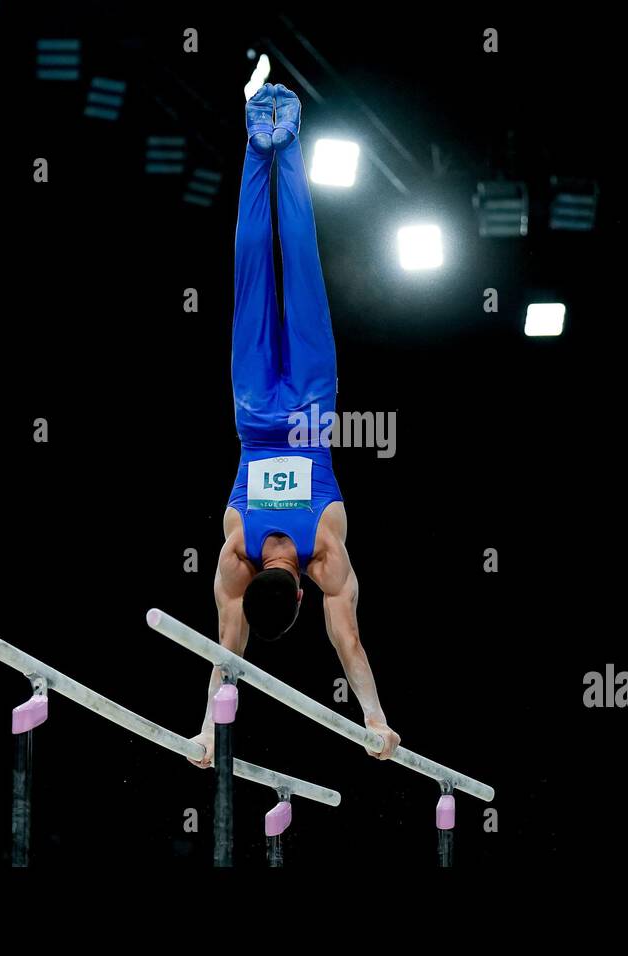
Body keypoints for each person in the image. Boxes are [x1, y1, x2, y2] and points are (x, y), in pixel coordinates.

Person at [188, 84, 400, 767]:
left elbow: (349, 645)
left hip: (310, 409)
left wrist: (377, 721)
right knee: (255, 271)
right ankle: (261, 145)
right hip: (253, 412)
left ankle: (284, 141)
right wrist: (202, 730)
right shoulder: (235, 558)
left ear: (301, 592)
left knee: (301, 264)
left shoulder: (326, 559)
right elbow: (225, 652)